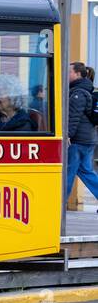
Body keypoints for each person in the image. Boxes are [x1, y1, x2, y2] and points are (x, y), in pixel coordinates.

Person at [64, 61, 98, 206]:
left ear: (77, 74)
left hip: (78, 141)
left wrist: (67, 135)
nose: (67, 74)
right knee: (86, 172)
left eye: (69, 72)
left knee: (68, 174)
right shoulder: (84, 89)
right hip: (87, 139)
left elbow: (74, 117)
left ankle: (58, 205)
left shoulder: (78, 93)